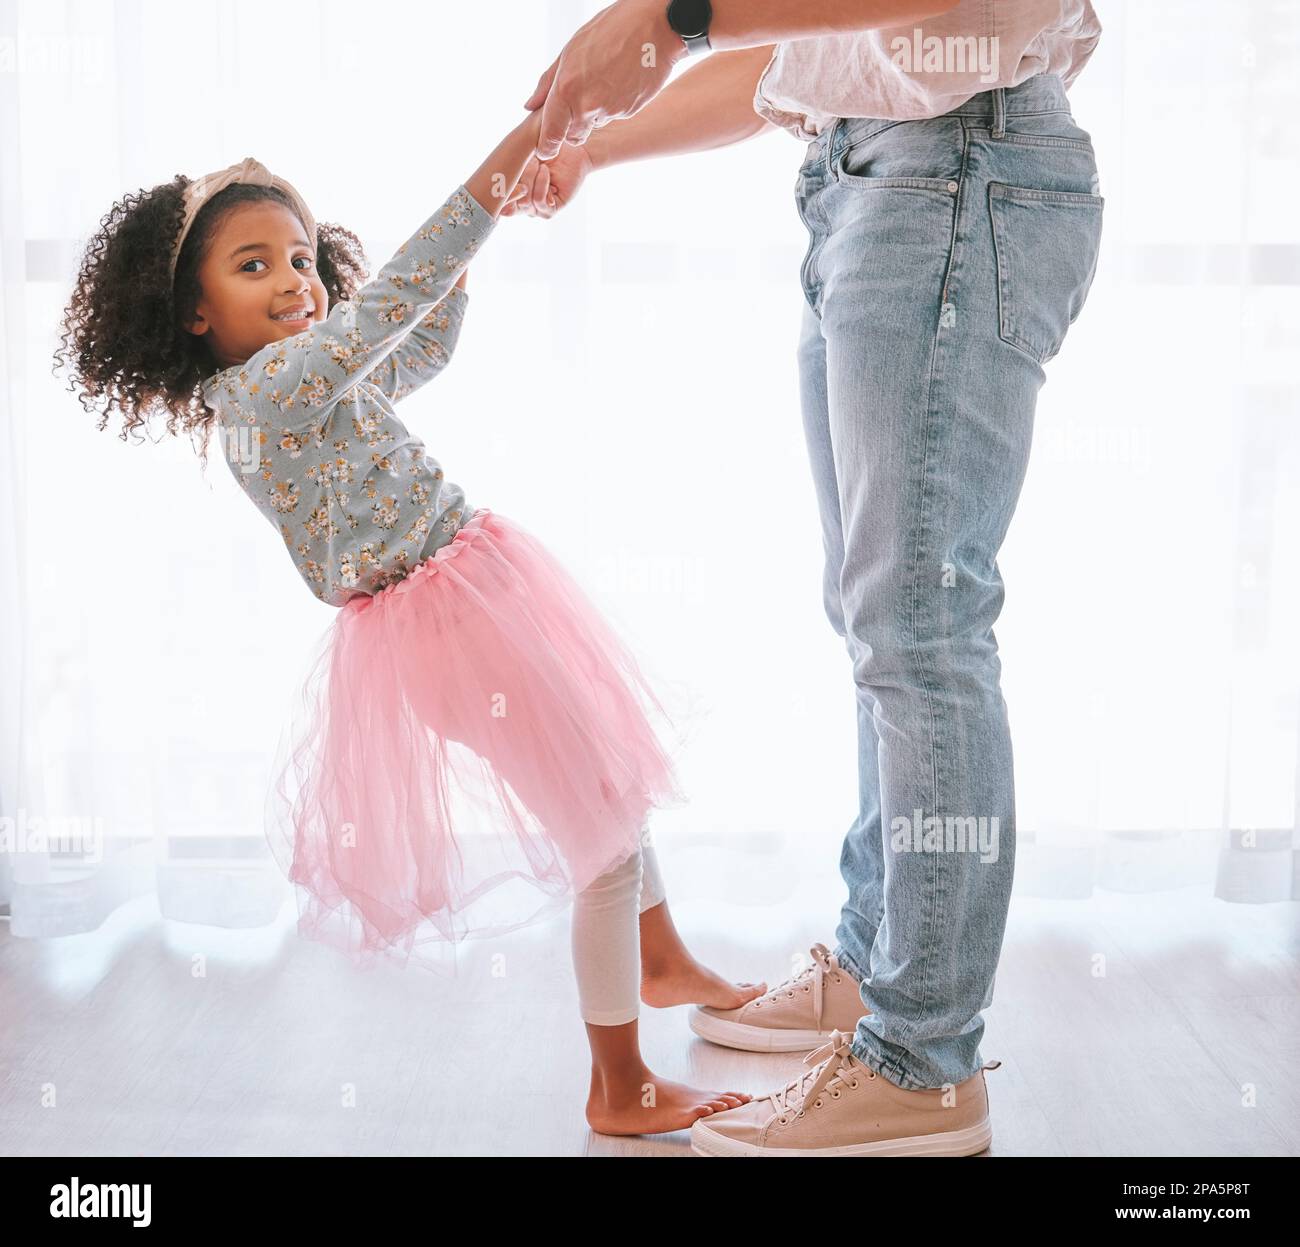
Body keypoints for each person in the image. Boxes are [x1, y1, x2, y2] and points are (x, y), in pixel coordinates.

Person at [51, 110, 770, 1136]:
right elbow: (380, 311)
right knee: (600, 831)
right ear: (194, 315)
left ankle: (657, 957)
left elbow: (404, 351)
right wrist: (483, 188)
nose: (295, 279)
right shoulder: (263, 394)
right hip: (448, 625)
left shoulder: (303, 382)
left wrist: (456, 289)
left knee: (603, 773)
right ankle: (621, 1081)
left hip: (467, 588)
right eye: (253, 265)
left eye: (300, 256)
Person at [507, 0, 1105, 1156]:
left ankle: (922, 1064)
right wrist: (593, 141)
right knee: (879, 617)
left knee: (920, 627)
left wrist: (672, 19)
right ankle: (880, 963)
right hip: (875, 172)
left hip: (955, 171)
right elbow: (801, 61)